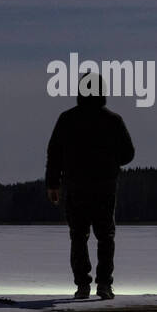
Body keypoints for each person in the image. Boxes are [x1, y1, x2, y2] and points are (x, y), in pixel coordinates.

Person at [45, 73, 135, 299]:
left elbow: (54, 153)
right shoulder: (113, 120)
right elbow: (128, 153)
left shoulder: (67, 119)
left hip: (76, 185)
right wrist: (111, 163)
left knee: (78, 235)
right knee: (105, 236)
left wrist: (53, 183)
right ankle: (104, 284)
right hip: (104, 186)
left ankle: (83, 285)